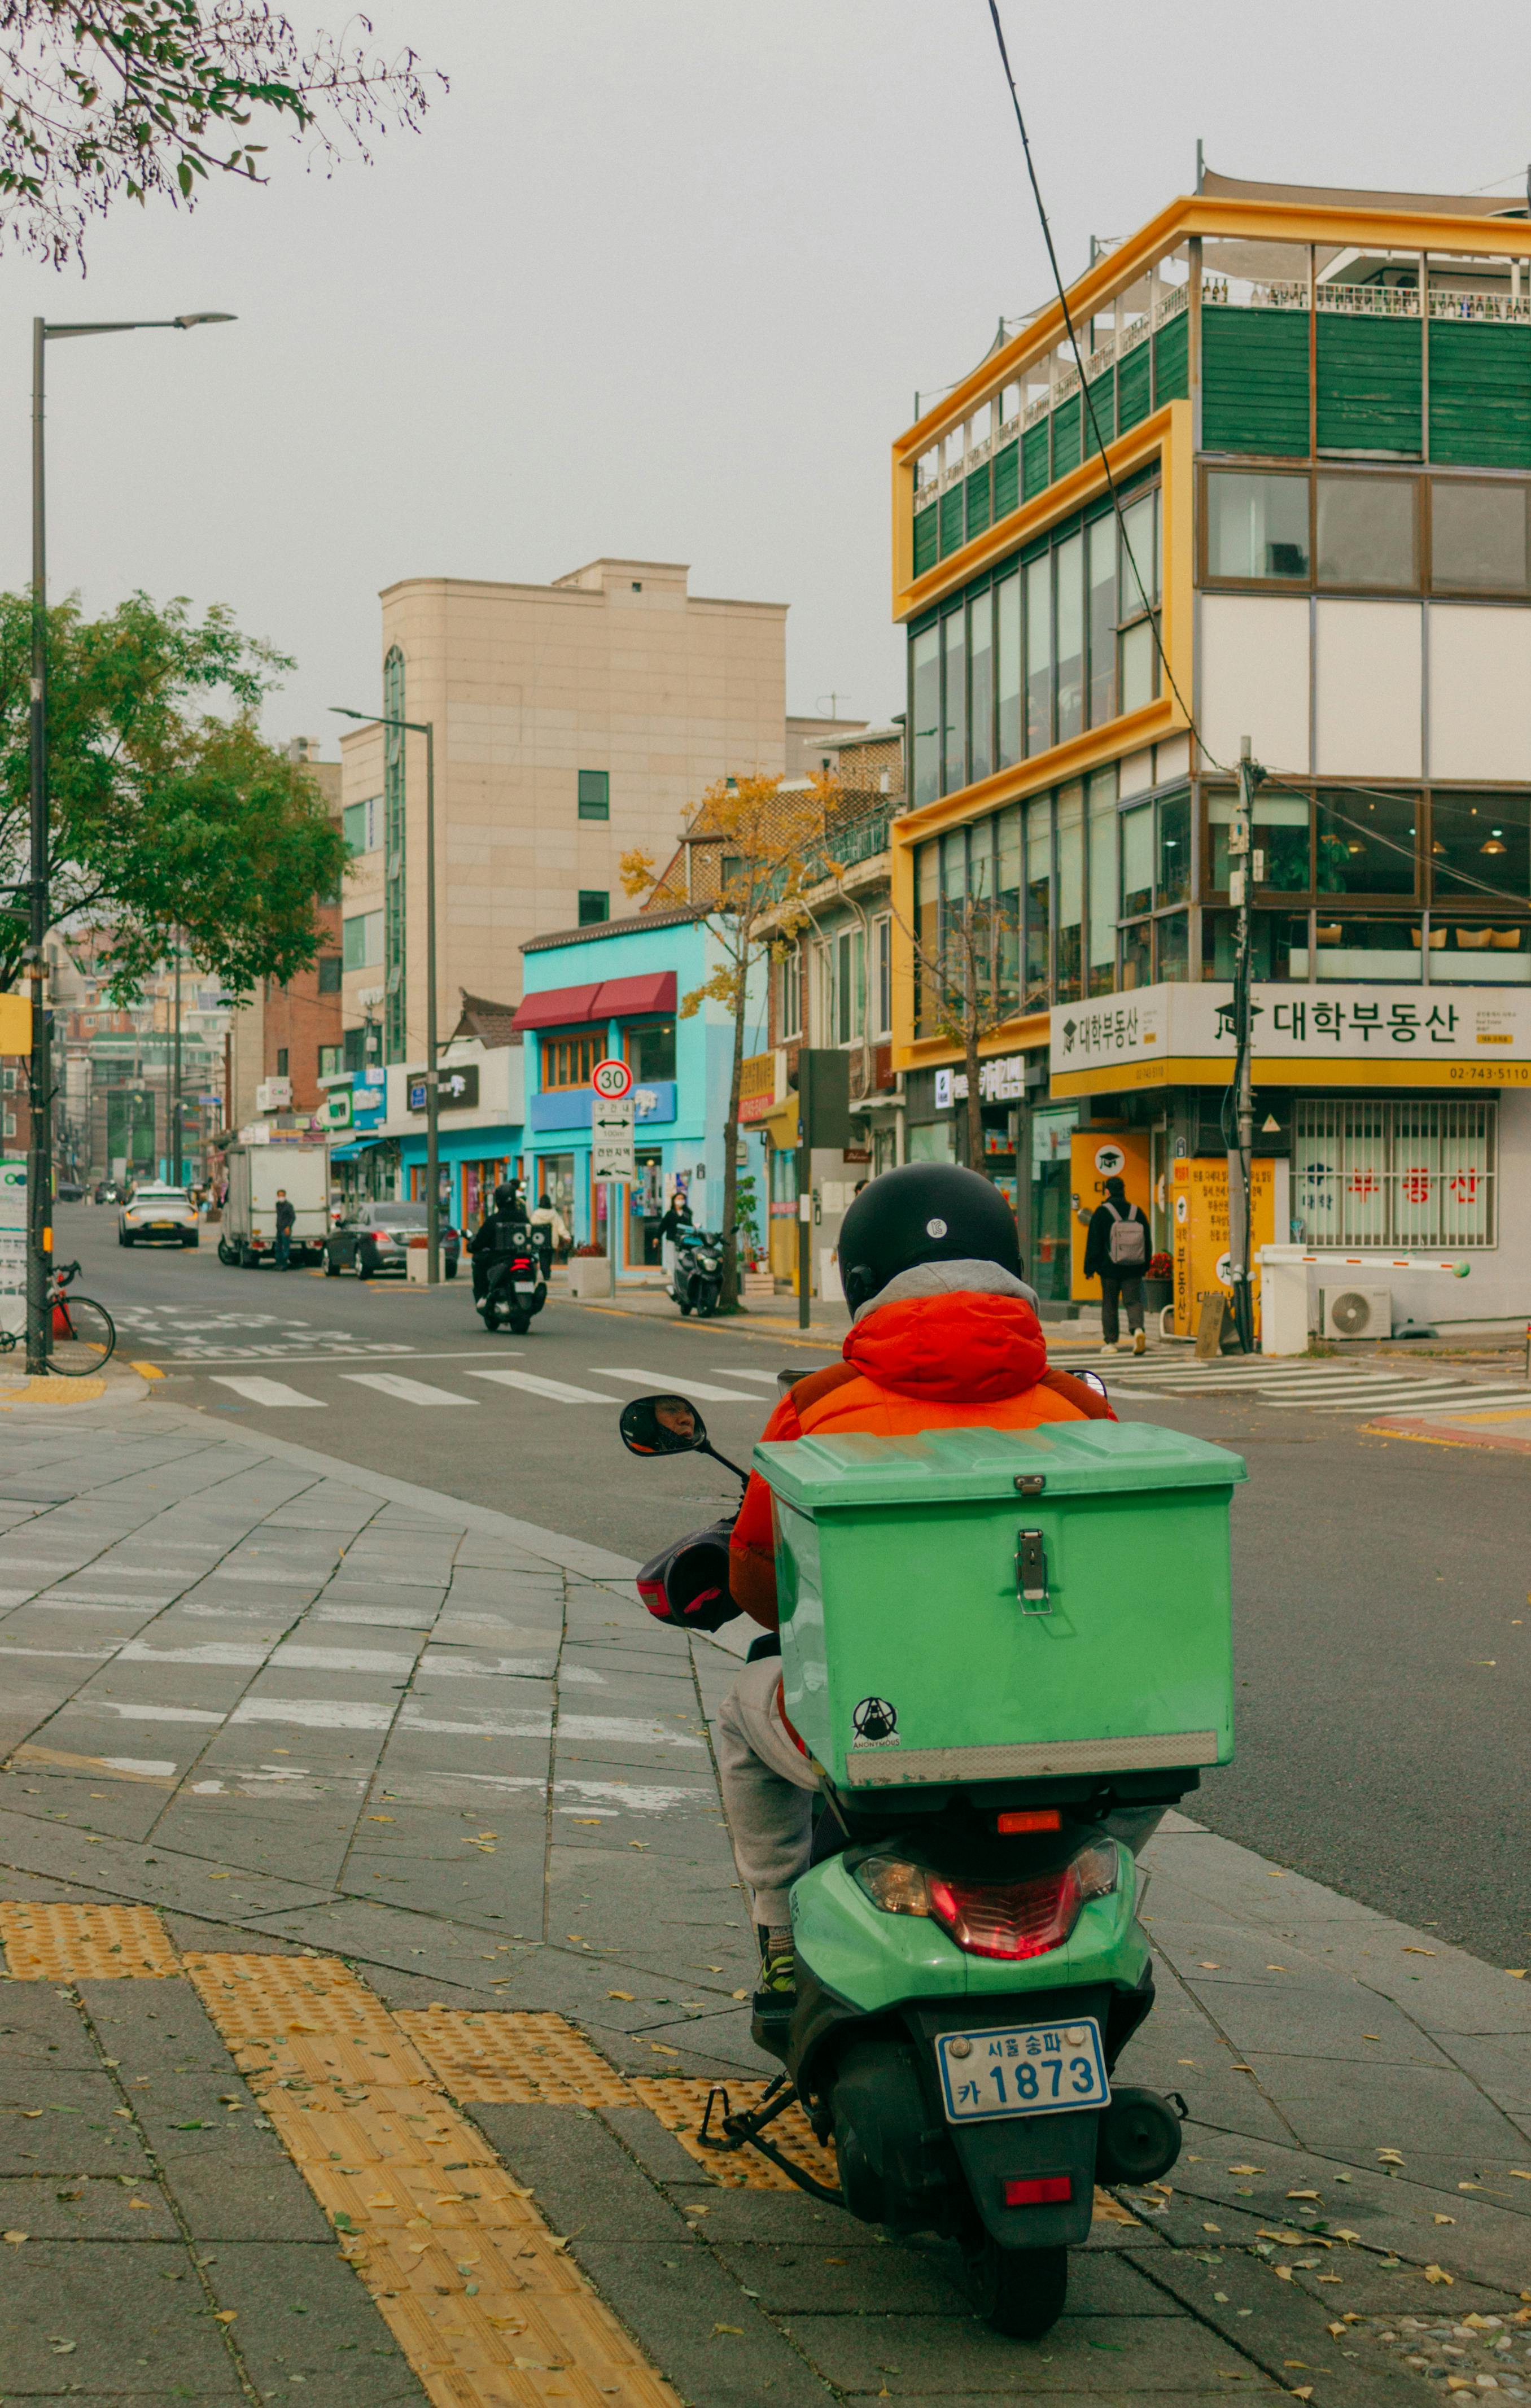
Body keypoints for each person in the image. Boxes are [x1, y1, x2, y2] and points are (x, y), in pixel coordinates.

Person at [720, 1162, 1116, 2011]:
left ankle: (780, 1934)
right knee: (1148, 1761)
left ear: (858, 1285)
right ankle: (1097, 1894)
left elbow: (762, 1586)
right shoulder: (1081, 1410)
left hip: (884, 1727)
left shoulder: (818, 1410)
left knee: (738, 1712)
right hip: (1052, 1716)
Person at [1083, 1173, 1151, 1356]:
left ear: (1107, 1192)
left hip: (1109, 1268)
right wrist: (1145, 1265)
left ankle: (1111, 1342)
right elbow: (1147, 1240)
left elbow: (1094, 1242)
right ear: (1123, 1191)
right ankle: (1138, 1330)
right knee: (1133, 1301)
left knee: (1110, 1303)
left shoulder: (1102, 1213)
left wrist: (1090, 1268)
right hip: (1134, 1266)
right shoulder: (1137, 1212)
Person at [468, 1181, 527, 1304]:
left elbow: (481, 1240)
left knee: (479, 1262)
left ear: (498, 1200)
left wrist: (472, 1246)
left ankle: (483, 1296)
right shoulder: (523, 1217)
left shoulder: (494, 1220)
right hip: (522, 1256)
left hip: (499, 1258)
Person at [658, 1189, 693, 1283]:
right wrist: (657, 1237)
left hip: (684, 1242)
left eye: (682, 1199)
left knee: (682, 1260)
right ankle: (675, 1281)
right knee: (672, 1261)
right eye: (678, 1199)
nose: (680, 1201)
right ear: (674, 1201)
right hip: (672, 1240)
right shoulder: (670, 1214)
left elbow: (690, 1227)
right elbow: (663, 1226)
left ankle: (683, 1280)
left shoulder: (688, 1214)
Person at [530, 1189, 571, 1265]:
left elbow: (531, 1227)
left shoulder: (536, 1214)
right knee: (549, 1256)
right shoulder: (554, 1214)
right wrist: (566, 1236)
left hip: (539, 1240)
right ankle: (548, 1272)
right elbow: (560, 1227)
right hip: (552, 1241)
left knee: (542, 1256)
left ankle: (546, 1272)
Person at [273, 1188, 295, 1270]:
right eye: (279, 1196)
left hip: (285, 1229)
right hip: (279, 1229)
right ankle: (278, 1263)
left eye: (282, 1196)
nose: (281, 1197)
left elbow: (293, 1217)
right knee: (278, 1247)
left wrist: (288, 1227)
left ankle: (284, 1264)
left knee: (285, 1247)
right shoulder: (278, 1205)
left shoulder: (289, 1206)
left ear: (285, 1196)